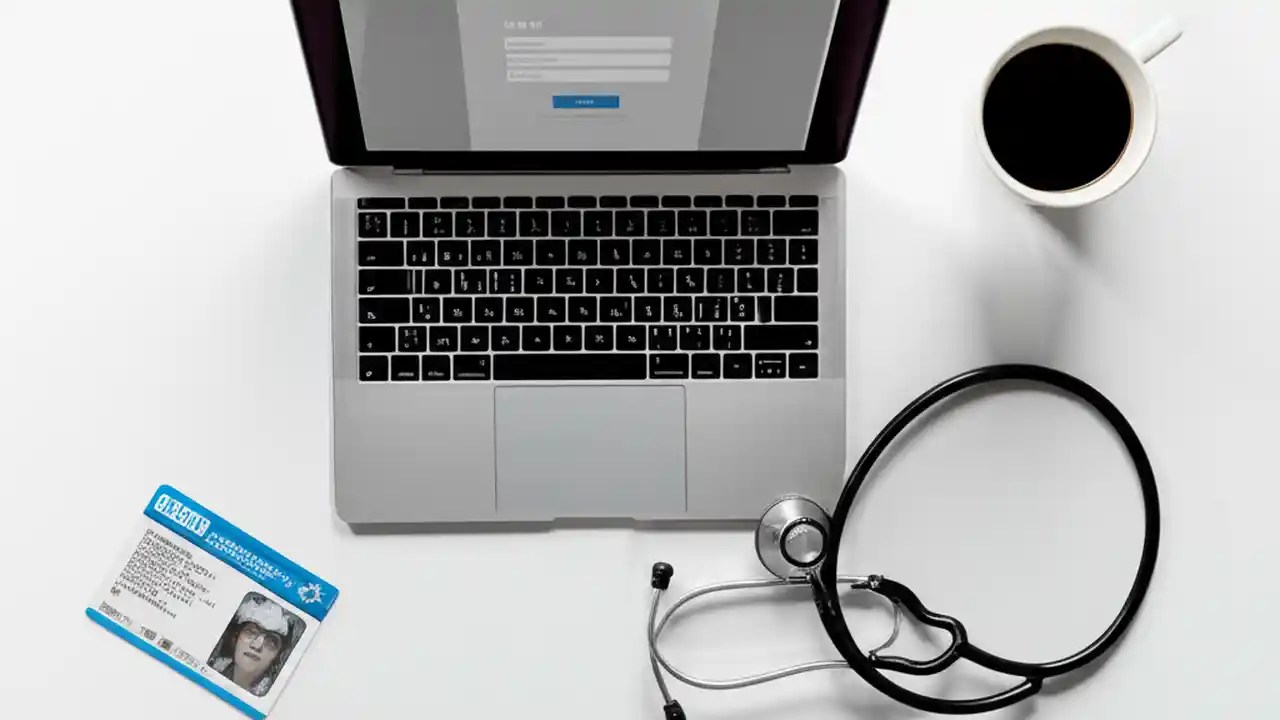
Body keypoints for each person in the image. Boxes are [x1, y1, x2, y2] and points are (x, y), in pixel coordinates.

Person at [208, 594, 301, 696]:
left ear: (278, 655)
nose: (256, 646)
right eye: (251, 632)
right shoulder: (213, 668)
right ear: (235, 638)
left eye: (271, 641)